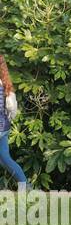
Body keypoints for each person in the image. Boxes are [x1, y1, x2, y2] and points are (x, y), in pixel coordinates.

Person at [0, 52, 30, 189]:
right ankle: (25, 186)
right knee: (5, 159)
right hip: (4, 127)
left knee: (5, 159)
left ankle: (25, 186)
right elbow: (12, 108)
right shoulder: (5, 84)